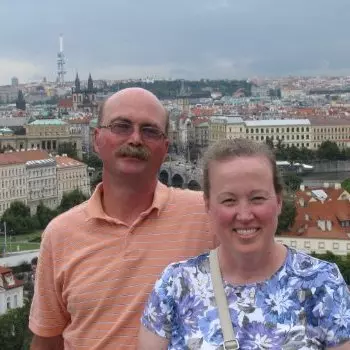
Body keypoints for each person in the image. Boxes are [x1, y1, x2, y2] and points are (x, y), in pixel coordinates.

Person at [29, 88, 215, 350]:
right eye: (121, 126)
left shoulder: (207, 215)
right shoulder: (59, 234)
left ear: (165, 148)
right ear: (97, 138)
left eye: (150, 131)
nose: (135, 139)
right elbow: (47, 341)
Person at [138, 138, 350, 349]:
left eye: (257, 198)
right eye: (229, 200)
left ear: (278, 202)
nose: (245, 215)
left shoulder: (324, 284)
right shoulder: (175, 285)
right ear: (208, 206)